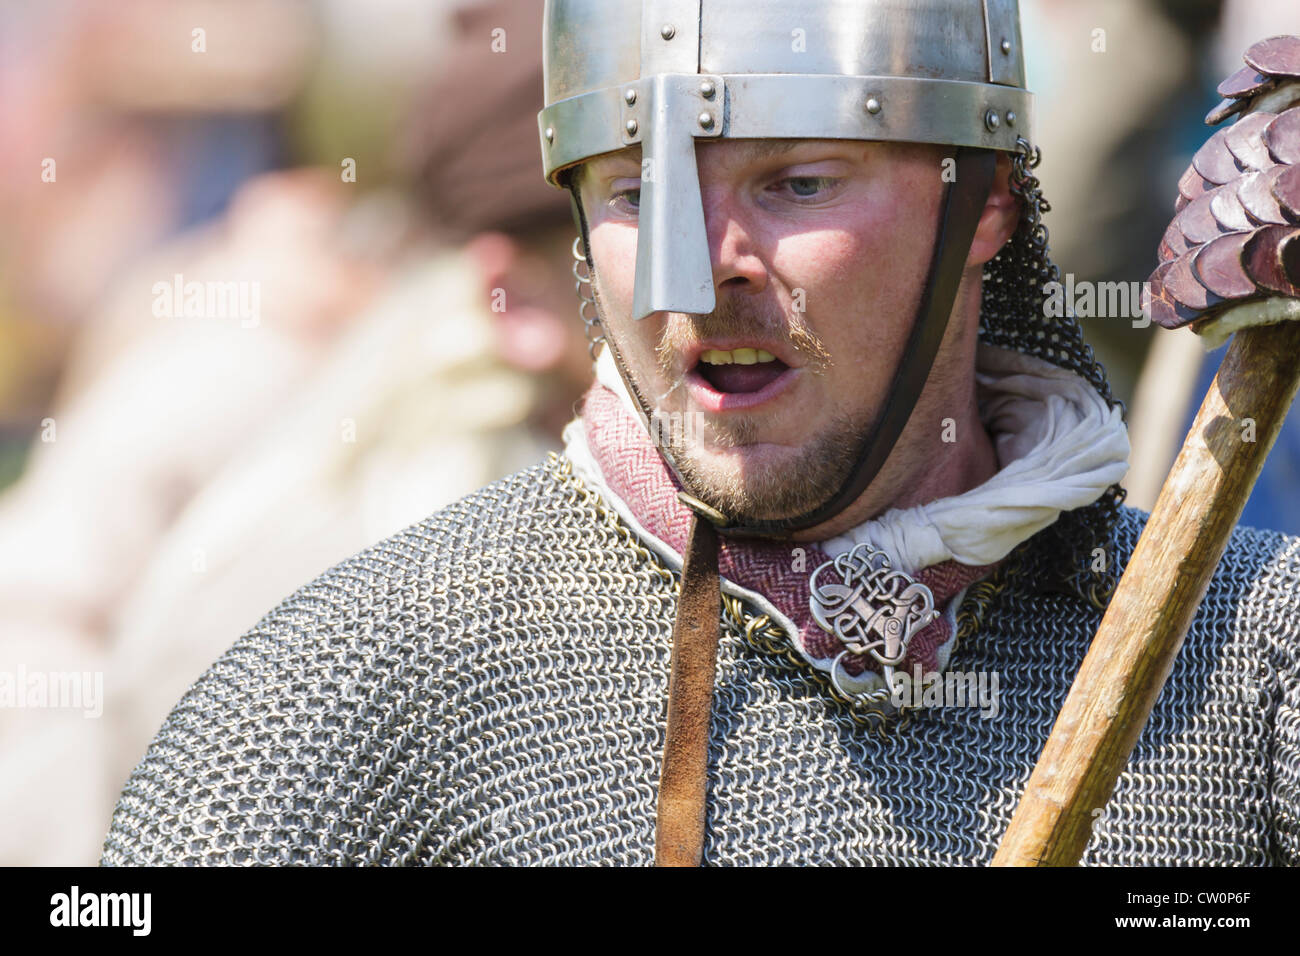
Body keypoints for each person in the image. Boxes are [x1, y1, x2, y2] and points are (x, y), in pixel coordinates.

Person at [101, 1, 1300, 866]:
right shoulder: (353, 687)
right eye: (636, 194)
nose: (700, 275)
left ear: (983, 205)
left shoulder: (1244, 660)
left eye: (798, 183)